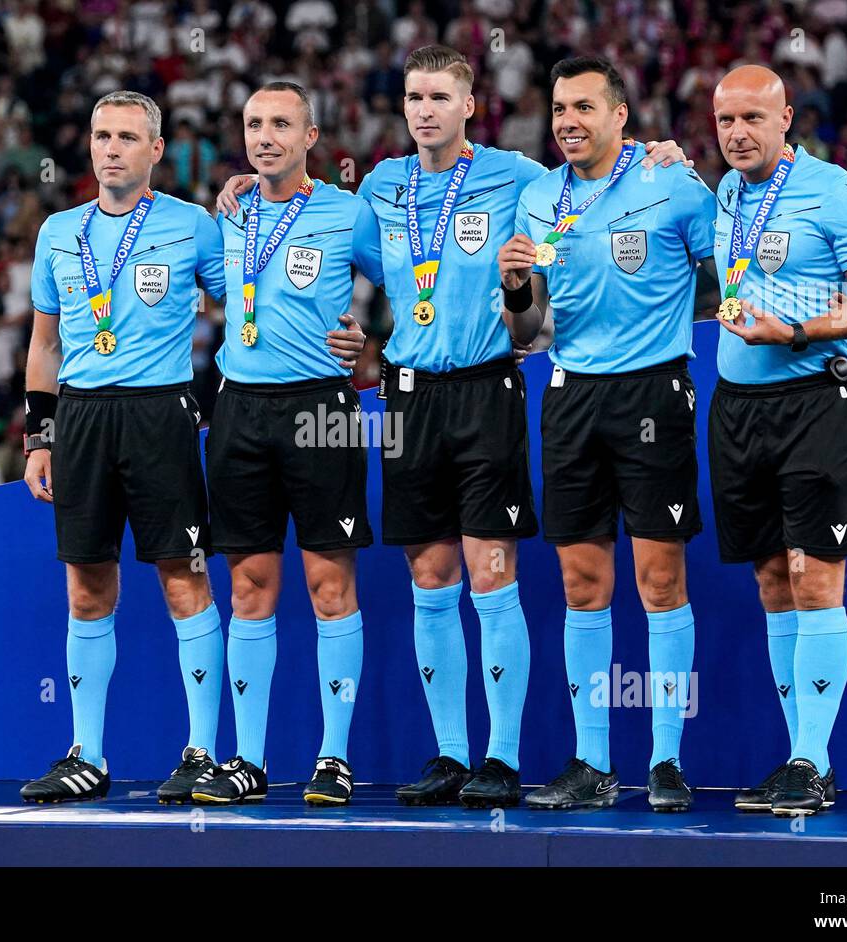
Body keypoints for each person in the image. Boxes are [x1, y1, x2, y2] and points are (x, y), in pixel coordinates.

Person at [216, 47, 690, 810]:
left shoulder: (516, 178)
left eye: (440, 96)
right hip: (404, 400)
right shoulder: (380, 187)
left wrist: (653, 153)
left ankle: (501, 758)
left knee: (490, 574)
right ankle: (450, 753)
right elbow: (333, 254)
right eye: (413, 96)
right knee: (429, 577)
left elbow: (593, 179)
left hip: (484, 393)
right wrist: (255, 186)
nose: (425, 109)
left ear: (469, 105)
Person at [18, 92, 257, 805]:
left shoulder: (192, 226)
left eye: (127, 137)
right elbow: (43, 345)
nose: (111, 148)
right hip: (83, 418)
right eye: (101, 135)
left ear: (157, 150)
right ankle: (86, 754)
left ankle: (201, 752)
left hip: (161, 415)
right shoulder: (58, 231)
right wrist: (40, 438)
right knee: (86, 586)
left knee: (184, 580)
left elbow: (240, 309)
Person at [499, 56, 717, 812]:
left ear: (620, 115)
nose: (568, 121)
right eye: (560, 108)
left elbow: (729, 271)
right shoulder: (536, 198)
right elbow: (527, 333)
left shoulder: (672, 184)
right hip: (568, 397)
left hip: (655, 392)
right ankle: (593, 762)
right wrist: (516, 285)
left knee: (661, 582)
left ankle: (665, 760)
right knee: (581, 585)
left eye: (585, 107)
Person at [708, 65, 847, 816]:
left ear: (787, 116)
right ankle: (799, 759)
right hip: (736, 407)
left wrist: (799, 330)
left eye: (754, 118)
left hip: (815, 398)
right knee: (770, 580)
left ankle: (812, 761)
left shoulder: (834, 189)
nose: (738, 134)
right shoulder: (727, 194)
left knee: (814, 577)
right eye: (726, 121)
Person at [189, 81, 380, 806]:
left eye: (280, 125)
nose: (264, 136)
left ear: (310, 136)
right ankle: (249, 760)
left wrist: (371, 339)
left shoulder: (348, 212)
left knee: (330, 587)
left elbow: (421, 277)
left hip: (319, 412)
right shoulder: (225, 216)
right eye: (253, 124)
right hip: (237, 410)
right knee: (247, 589)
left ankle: (333, 757)